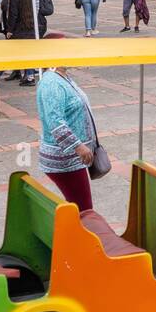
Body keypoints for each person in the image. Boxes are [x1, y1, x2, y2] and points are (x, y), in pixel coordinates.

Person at [36, 65, 96, 211]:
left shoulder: (62, 77)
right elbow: (55, 121)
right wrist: (78, 146)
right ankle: (79, 234)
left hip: (73, 157)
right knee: (84, 210)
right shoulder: (52, 83)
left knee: (79, 207)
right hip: (65, 159)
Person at [0, 0, 38, 86]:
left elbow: (13, 14)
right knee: (28, 53)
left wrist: (10, 30)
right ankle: (30, 76)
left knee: (8, 52)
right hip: (28, 27)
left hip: (19, 29)